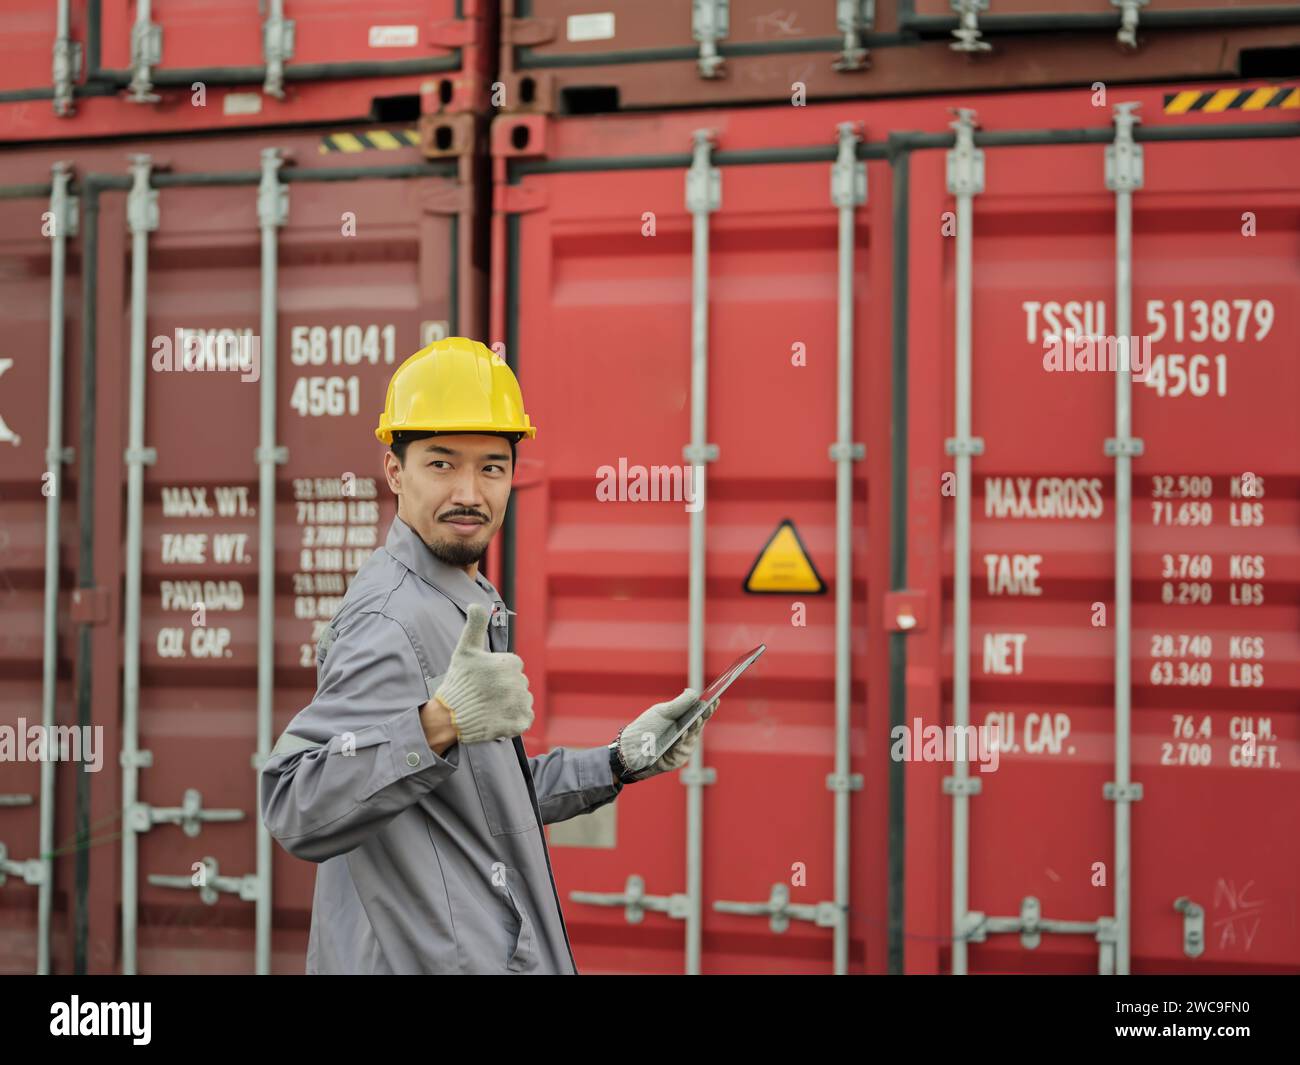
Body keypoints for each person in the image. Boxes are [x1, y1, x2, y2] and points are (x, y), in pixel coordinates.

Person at [259, 336, 718, 974]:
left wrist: (616, 763)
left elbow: (484, 801)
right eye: (441, 464)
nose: (469, 492)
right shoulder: (392, 617)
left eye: (491, 467)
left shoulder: (461, 597)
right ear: (396, 472)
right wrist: (440, 723)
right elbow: (292, 803)